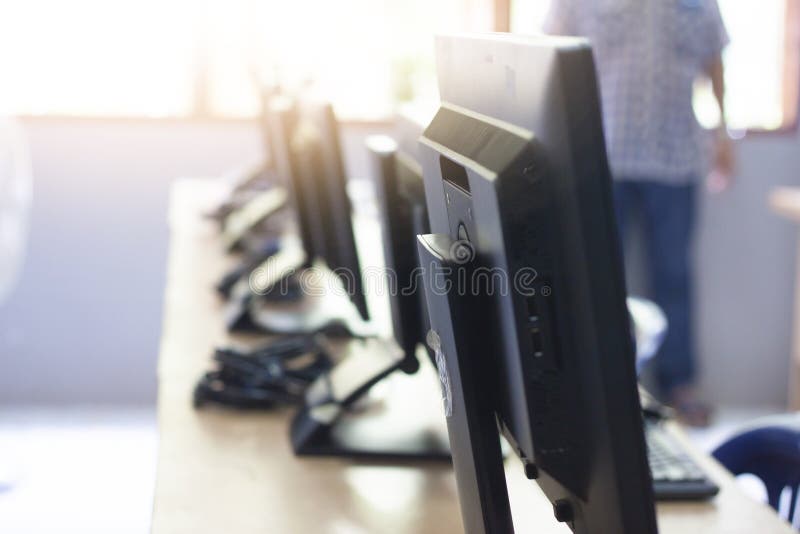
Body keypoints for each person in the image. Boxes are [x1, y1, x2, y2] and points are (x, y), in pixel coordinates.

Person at [544, 0, 732, 426]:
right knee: (599, 274)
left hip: (675, 157)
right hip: (602, 156)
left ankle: (678, 386)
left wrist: (722, 132)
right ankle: (604, 384)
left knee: (674, 274)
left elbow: (713, 60)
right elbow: (551, 56)